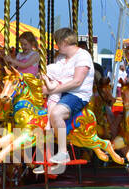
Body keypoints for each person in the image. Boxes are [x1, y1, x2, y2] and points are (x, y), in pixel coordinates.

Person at [36, 27, 93, 175]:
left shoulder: (83, 56)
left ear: (65, 41)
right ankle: (46, 160)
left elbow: (77, 81)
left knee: (56, 114)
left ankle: (63, 152)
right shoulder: (61, 59)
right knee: (42, 120)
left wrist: (52, 90)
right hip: (61, 93)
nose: (56, 45)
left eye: (57, 42)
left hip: (77, 95)